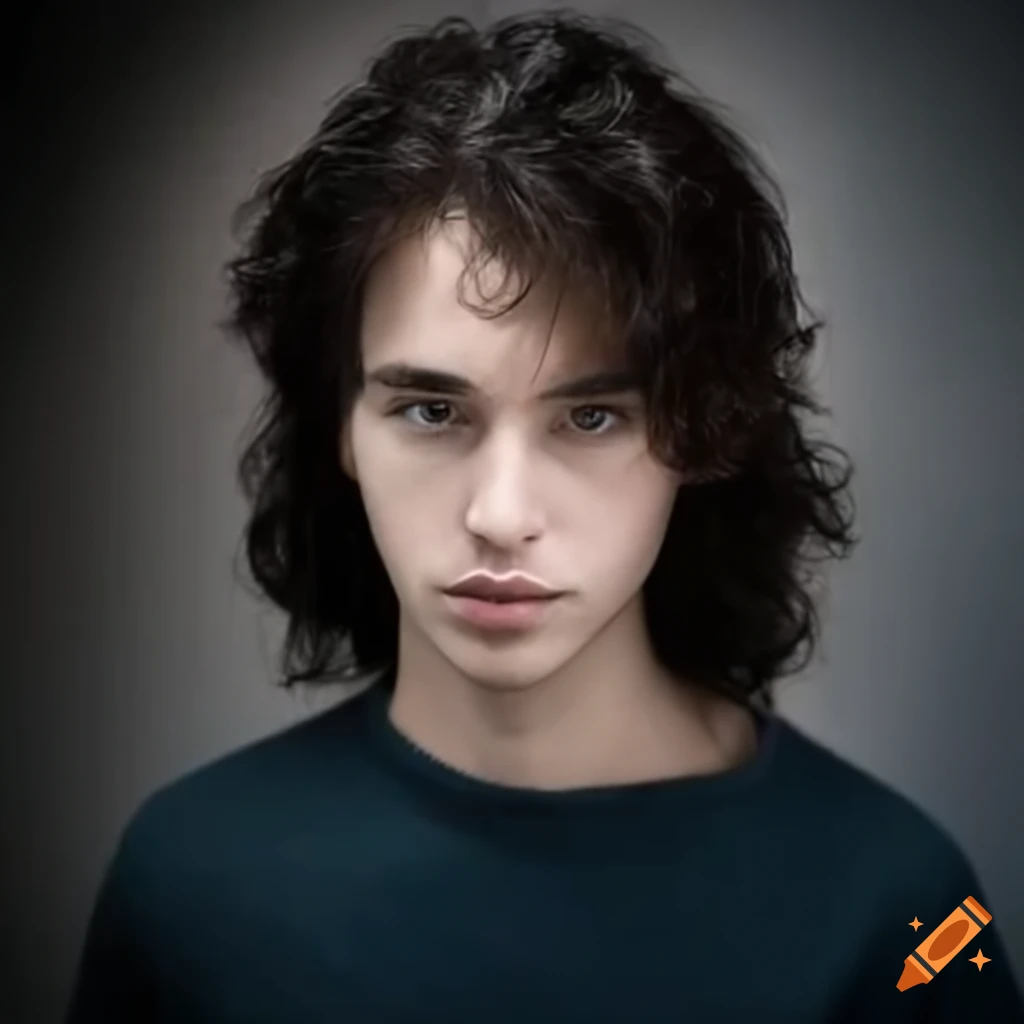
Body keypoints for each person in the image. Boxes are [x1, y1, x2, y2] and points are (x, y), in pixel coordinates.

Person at [66, 10, 1023, 1022]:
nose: (500, 513)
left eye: (593, 414)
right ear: (339, 424)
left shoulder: (907, 917)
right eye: (431, 410)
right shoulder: (187, 883)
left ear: (702, 433)